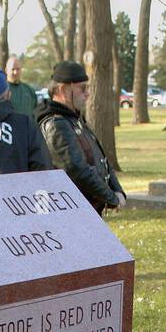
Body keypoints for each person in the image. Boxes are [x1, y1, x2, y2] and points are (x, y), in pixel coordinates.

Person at [35, 60, 125, 215]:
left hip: (85, 208)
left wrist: (117, 190)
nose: (88, 93)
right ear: (63, 90)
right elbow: (77, 170)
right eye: (82, 88)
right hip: (70, 212)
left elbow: (101, 157)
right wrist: (111, 197)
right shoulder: (56, 124)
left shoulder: (73, 119)